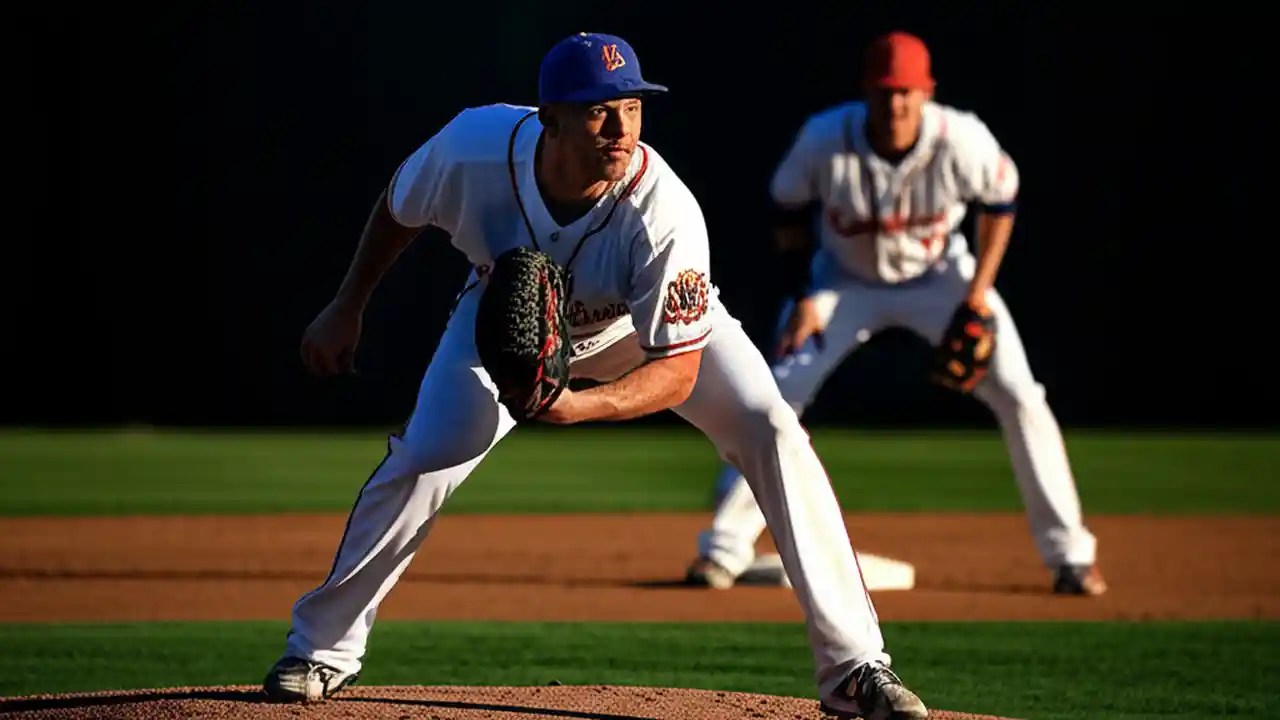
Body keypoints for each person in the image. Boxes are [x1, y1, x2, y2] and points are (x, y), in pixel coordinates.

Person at [260, 31, 929, 720]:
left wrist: (579, 407)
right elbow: (399, 209)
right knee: (427, 456)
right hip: (506, 323)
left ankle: (855, 666)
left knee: (771, 427)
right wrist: (348, 304)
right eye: (598, 110)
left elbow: (678, 371)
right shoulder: (473, 149)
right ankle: (320, 648)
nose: (620, 128)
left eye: (632, 107)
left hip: (639, 334)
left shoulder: (663, 210)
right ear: (550, 117)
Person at [684, 30, 1106, 598]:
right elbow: (787, 211)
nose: (896, 103)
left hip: (940, 278)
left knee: (1021, 395)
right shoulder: (825, 138)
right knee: (776, 395)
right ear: (867, 91)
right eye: (886, 91)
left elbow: (1001, 204)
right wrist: (802, 295)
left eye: (907, 91)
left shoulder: (961, 138)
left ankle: (1071, 556)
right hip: (842, 282)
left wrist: (978, 294)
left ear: (927, 92)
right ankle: (724, 548)